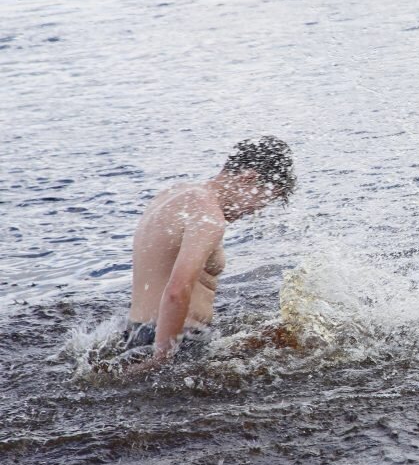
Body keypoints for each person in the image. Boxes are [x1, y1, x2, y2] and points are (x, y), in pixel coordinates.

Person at [119, 136, 295, 375]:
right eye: (261, 201)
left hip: (137, 331)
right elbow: (177, 289)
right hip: (176, 340)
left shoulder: (175, 194)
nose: (255, 212)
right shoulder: (208, 215)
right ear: (249, 179)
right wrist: (162, 357)